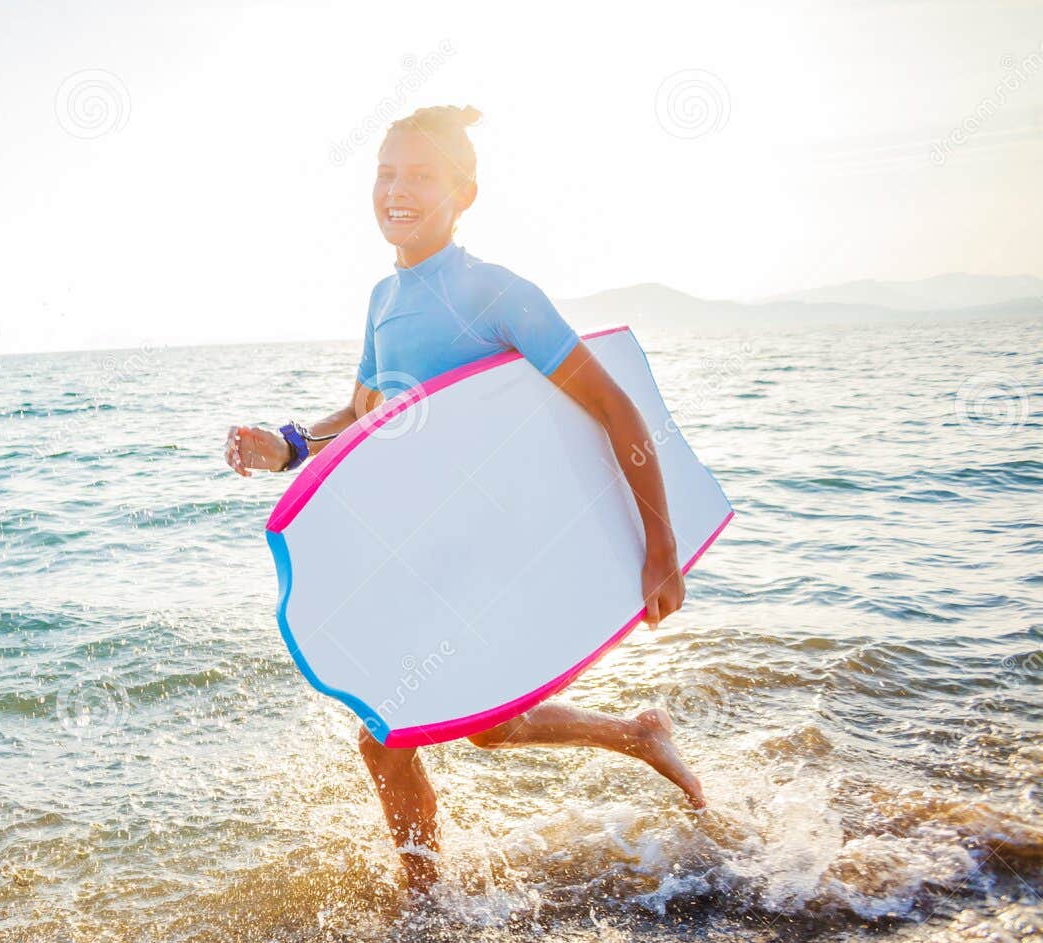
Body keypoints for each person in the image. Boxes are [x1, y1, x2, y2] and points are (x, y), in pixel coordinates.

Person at [224, 105, 705, 893]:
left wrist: (661, 546)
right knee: (477, 722)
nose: (395, 190)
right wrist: (287, 446)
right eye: (385, 172)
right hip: (427, 546)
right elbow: (361, 414)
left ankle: (424, 901)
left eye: (418, 174)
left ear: (465, 193)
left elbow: (617, 409)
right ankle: (639, 735)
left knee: (393, 735)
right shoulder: (383, 299)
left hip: (499, 542)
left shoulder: (499, 294)